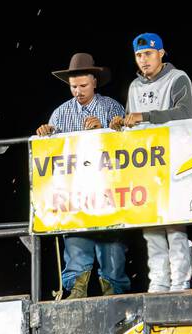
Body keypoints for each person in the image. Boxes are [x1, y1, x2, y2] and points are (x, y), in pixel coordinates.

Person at [36, 53, 130, 298]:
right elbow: (51, 152)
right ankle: (77, 289)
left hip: (108, 188)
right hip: (74, 191)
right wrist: (47, 134)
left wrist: (105, 131)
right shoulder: (59, 114)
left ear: (94, 83)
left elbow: (127, 146)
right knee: (76, 240)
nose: (78, 91)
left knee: (112, 244)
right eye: (73, 86)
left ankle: (114, 292)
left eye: (83, 86)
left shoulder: (111, 107)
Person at [111, 33, 192, 293]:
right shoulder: (135, 86)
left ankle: (180, 281)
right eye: (138, 55)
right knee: (151, 227)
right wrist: (120, 122)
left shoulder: (177, 78)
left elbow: (184, 113)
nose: (143, 60)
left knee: (175, 225)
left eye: (148, 54)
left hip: (174, 159)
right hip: (145, 163)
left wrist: (145, 115)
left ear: (161, 53)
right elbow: (131, 118)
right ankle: (158, 282)